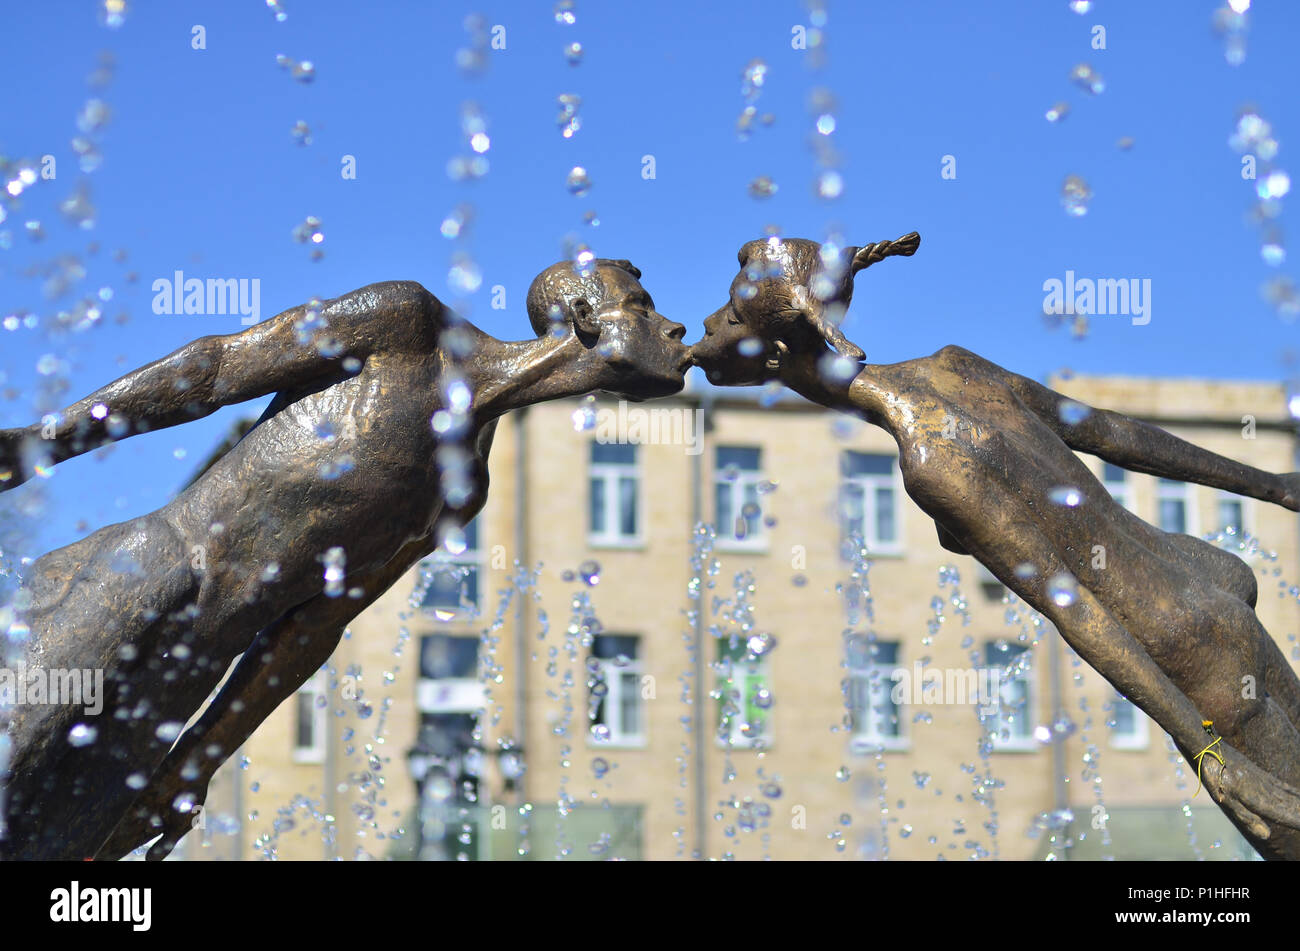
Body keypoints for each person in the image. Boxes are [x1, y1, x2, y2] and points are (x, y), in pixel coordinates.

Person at [0, 259, 690, 861]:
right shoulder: (406, 322)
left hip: (180, 683)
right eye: (642, 306)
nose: (673, 328)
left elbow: (312, 629)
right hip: (146, 572)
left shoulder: (462, 491)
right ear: (582, 317)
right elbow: (215, 368)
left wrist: (197, 761)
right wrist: (43, 441)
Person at [691, 233, 1300, 860]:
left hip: (1188, 651)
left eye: (731, 316)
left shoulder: (930, 460)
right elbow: (1112, 432)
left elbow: (1070, 604)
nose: (707, 324)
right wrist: (1273, 486)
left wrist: (1206, 750)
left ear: (779, 351)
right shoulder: (958, 367)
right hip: (1209, 581)